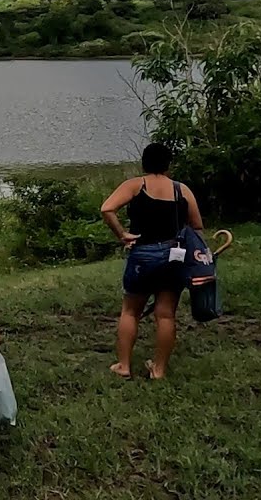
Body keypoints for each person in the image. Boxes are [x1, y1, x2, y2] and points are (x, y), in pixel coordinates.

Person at [100, 143, 204, 380]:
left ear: (144, 163)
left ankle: (124, 366)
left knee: (130, 311)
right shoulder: (181, 190)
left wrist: (122, 234)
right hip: (174, 256)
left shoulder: (136, 185)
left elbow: (107, 208)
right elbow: (197, 226)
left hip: (143, 255)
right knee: (166, 314)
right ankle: (158, 369)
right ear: (169, 164)